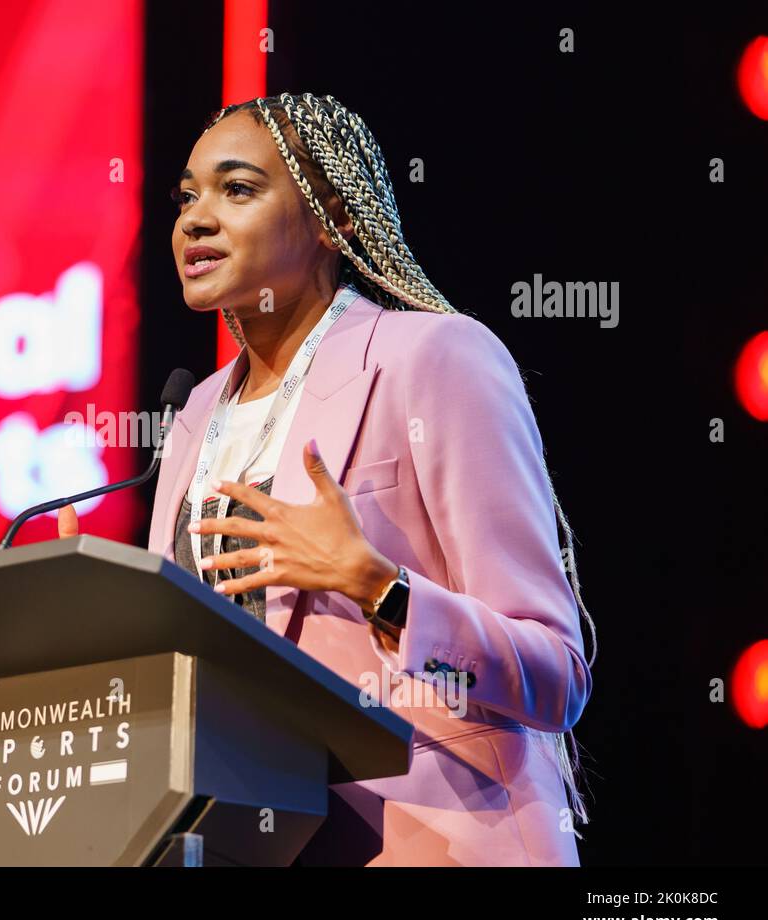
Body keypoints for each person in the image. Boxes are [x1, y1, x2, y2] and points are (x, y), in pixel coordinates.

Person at [60, 93, 595, 866]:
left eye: (237, 190)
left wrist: (383, 588)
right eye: (187, 196)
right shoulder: (194, 414)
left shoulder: (433, 358)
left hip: (434, 843)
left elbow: (555, 676)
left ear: (332, 220)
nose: (195, 220)